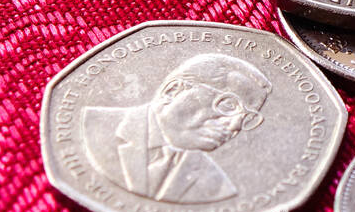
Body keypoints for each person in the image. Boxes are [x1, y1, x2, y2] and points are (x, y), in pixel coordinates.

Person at [83, 54, 271, 204]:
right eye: (228, 105)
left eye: (248, 117)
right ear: (173, 90)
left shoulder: (216, 186)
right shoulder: (92, 126)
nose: (235, 126)